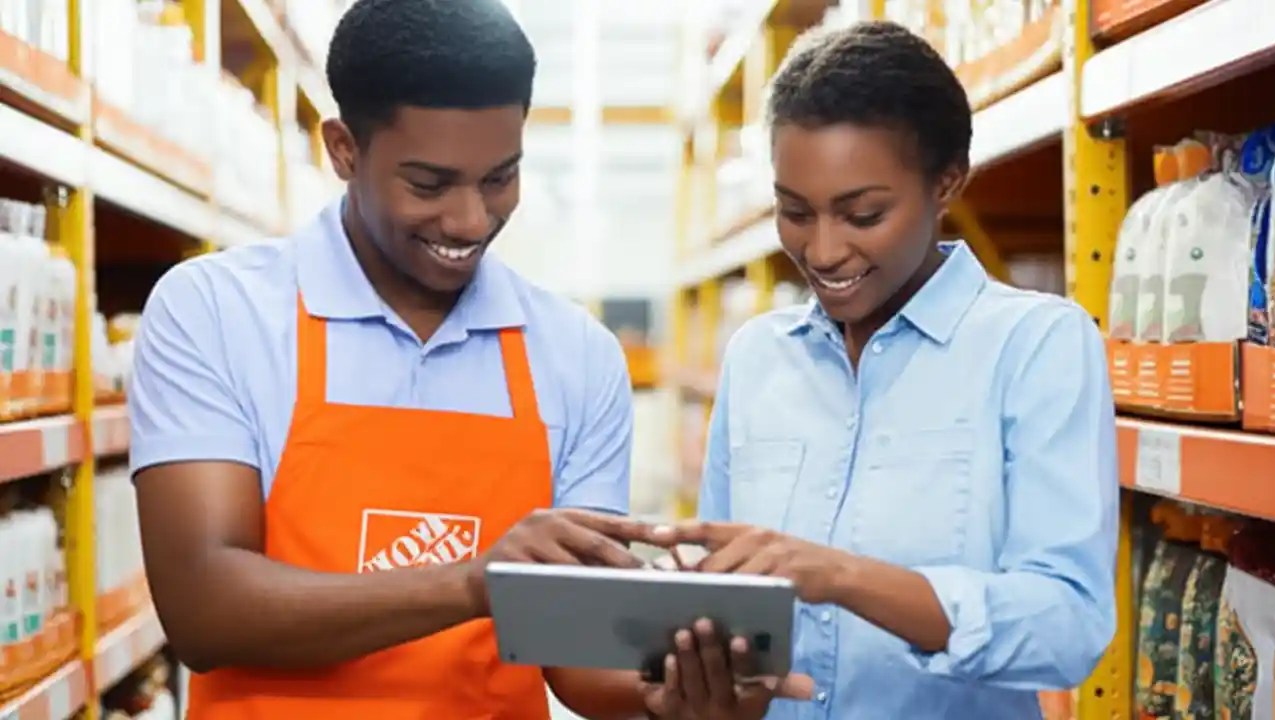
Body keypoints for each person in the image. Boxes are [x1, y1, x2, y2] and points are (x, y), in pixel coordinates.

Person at [125, 1, 784, 718]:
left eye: (500, 177)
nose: (471, 221)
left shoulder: (574, 354)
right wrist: (476, 584)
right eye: (429, 184)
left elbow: (574, 655)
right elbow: (204, 609)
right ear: (344, 149)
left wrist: (676, 689)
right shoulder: (217, 313)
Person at [645, 20, 1120, 720]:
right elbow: (727, 602)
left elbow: (1068, 624)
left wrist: (841, 577)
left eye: (863, 214)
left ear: (946, 183)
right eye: (794, 211)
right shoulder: (757, 357)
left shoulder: (1037, 345)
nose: (824, 250)